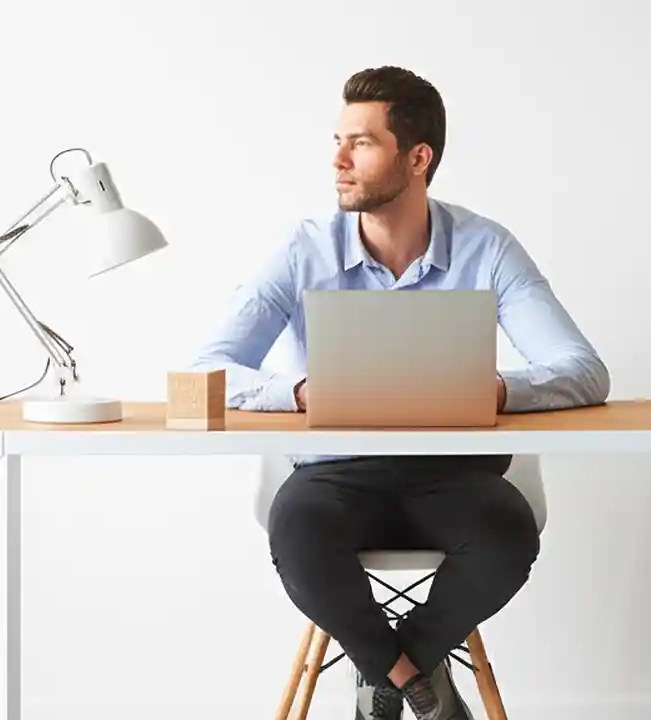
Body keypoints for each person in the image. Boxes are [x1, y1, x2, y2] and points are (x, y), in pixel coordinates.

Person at [191, 66, 609, 720]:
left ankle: (385, 679)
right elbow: (208, 371)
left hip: (454, 476)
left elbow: (582, 369)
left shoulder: (487, 247)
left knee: (507, 535)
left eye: (360, 142)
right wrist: (299, 392)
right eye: (338, 139)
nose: (337, 159)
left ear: (418, 158)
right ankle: (422, 685)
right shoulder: (303, 251)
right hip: (335, 476)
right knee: (297, 531)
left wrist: (493, 390)